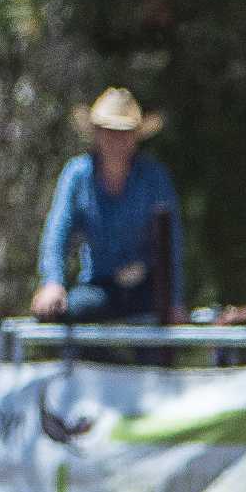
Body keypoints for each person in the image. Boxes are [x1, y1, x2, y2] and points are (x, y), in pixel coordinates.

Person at [32, 88, 185, 326]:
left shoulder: (155, 177)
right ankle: (102, 364)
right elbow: (56, 234)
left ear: (136, 137)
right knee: (61, 313)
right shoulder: (77, 174)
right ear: (96, 134)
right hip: (99, 286)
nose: (117, 140)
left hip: (148, 288)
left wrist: (175, 301)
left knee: (160, 336)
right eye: (109, 131)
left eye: (124, 132)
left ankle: (139, 364)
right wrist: (53, 283)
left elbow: (172, 243)